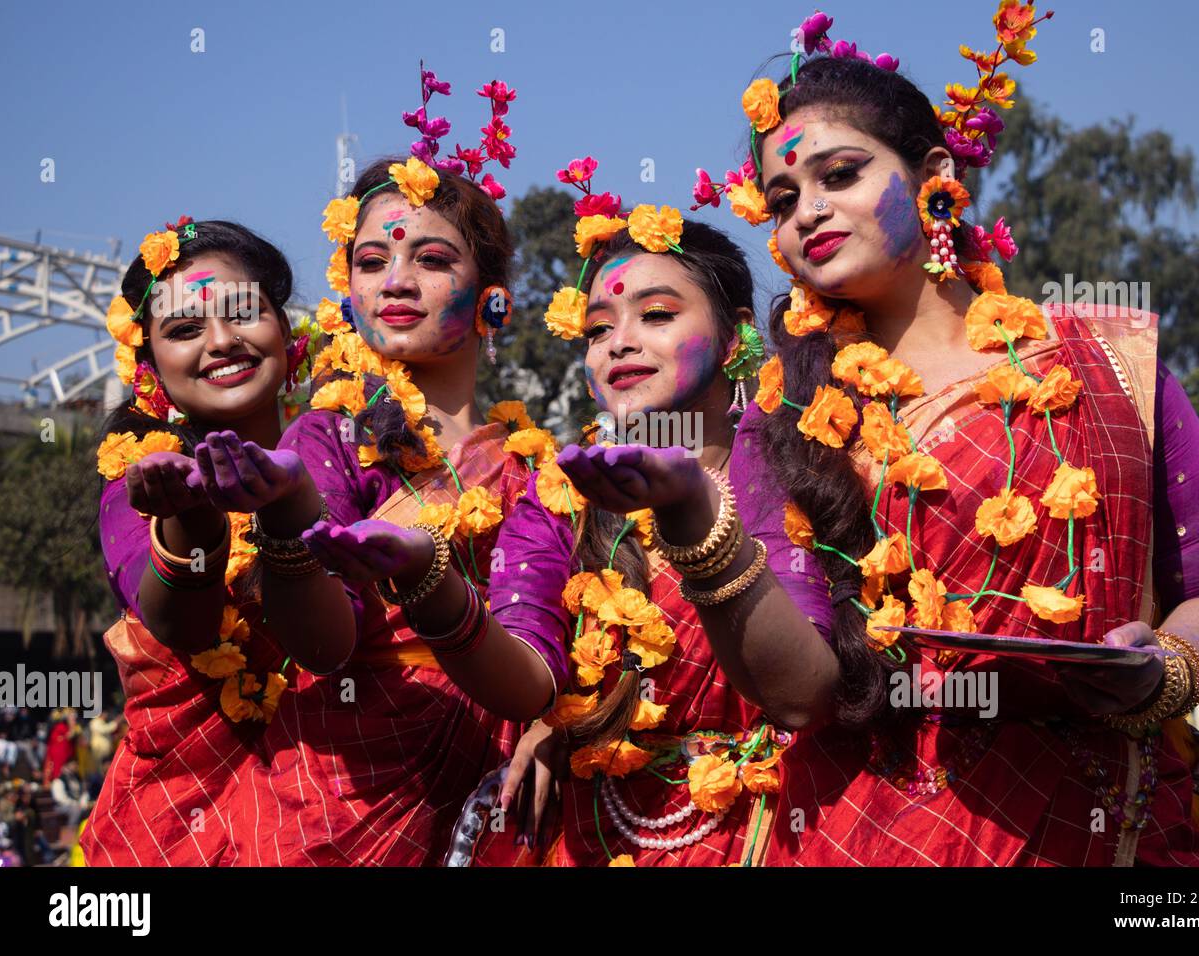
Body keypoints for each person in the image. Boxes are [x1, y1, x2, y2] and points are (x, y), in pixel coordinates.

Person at [661, 8, 1199, 865]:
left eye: (841, 174)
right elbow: (801, 695)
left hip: (1110, 824)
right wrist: (697, 525)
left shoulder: (1113, 359)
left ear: (934, 173)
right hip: (869, 832)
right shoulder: (784, 417)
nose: (809, 213)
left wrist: (1164, 669)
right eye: (785, 198)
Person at [220, 70, 552, 865]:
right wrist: (292, 518)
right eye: (371, 262)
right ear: (348, 291)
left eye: (431, 259)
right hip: (335, 797)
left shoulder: (538, 468)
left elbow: (545, 647)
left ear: (494, 301)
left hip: (490, 790)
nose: (396, 281)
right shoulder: (326, 438)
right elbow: (321, 642)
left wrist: (553, 717)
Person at [473, 209, 775, 866]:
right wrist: (436, 596)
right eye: (599, 330)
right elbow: (528, 662)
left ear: (736, 338)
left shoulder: (805, 473)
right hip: (602, 838)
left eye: (658, 315)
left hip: (789, 831)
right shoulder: (561, 500)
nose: (619, 343)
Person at [80, 217, 313, 865]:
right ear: (150, 366)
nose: (221, 342)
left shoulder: (351, 450)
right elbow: (176, 621)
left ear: (285, 328)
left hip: (356, 802)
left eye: (243, 313)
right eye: (184, 330)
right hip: (178, 831)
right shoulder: (141, 476)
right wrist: (194, 525)